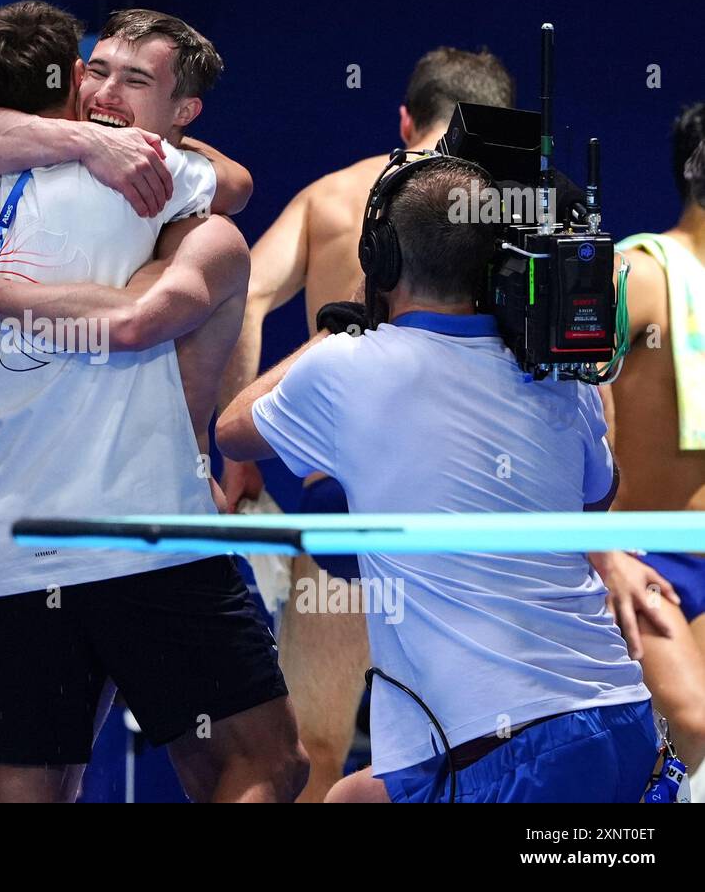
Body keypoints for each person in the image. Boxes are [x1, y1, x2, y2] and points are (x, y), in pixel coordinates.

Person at [0, 0, 307, 803]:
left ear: (182, 112)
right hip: (145, 539)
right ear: (67, 77)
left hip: (15, 548)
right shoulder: (145, 180)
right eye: (96, 69)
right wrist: (119, 146)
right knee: (264, 766)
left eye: (134, 79)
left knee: (29, 788)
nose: (105, 90)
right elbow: (225, 197)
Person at [217, 156, 655, 803]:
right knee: (349, 797)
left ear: (383, 260)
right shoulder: (560, 379)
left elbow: (232, 428)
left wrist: (343, 329)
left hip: (508, 751)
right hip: (624, 722)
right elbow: (598, 496)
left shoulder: (345, 366)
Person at [216, 46, 516, 800]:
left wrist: (241, 460)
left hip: (344, 507)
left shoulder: (333, 197)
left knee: (315, 739)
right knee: (483, 741)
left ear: (406, 118)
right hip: (469, 510)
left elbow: (246, 294)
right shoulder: (505, 211)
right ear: (500, 126)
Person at [591, 105, 705, 775]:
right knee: (696, 727)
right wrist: (597, 547)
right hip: (647, 559)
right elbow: (553, 396)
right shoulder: (637, 271)